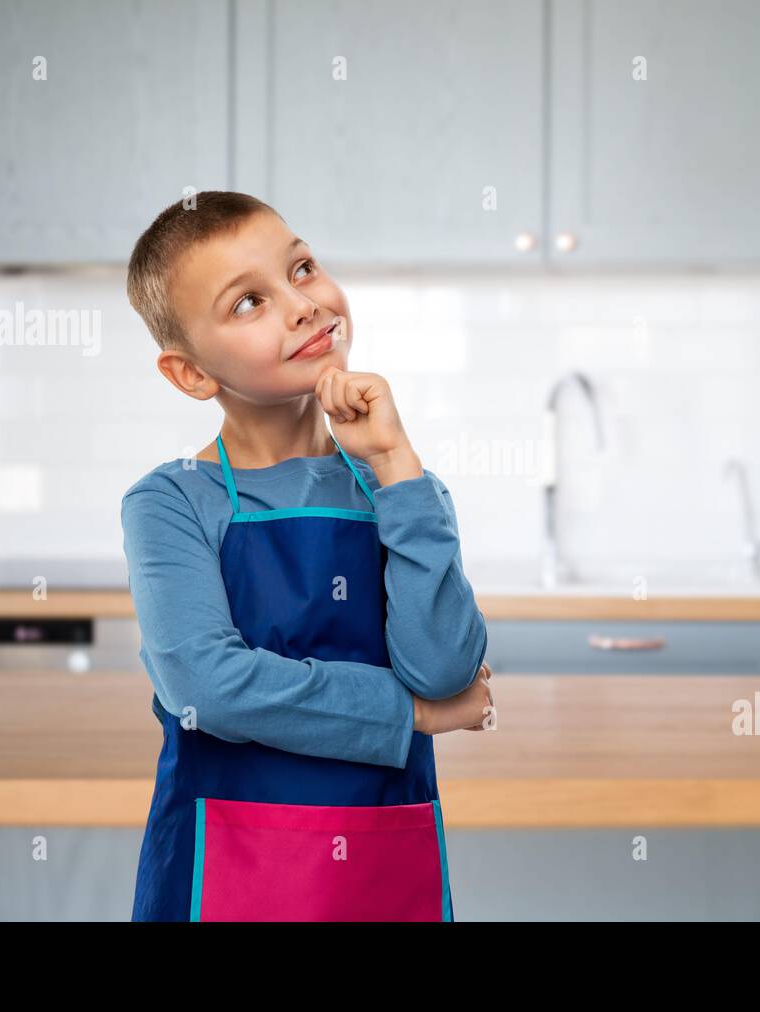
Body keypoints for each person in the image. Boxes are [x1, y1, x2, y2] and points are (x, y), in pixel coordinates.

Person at [121, 191, 492, 921]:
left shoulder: (401, 487)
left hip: (386, 860)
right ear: (191, 373)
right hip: (224, 870)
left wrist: (393, 461)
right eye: (249, 302)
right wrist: (413, 715)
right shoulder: (174, 501)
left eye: (303, 268)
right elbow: (212, 688)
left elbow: (445, 667)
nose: (301, 304)